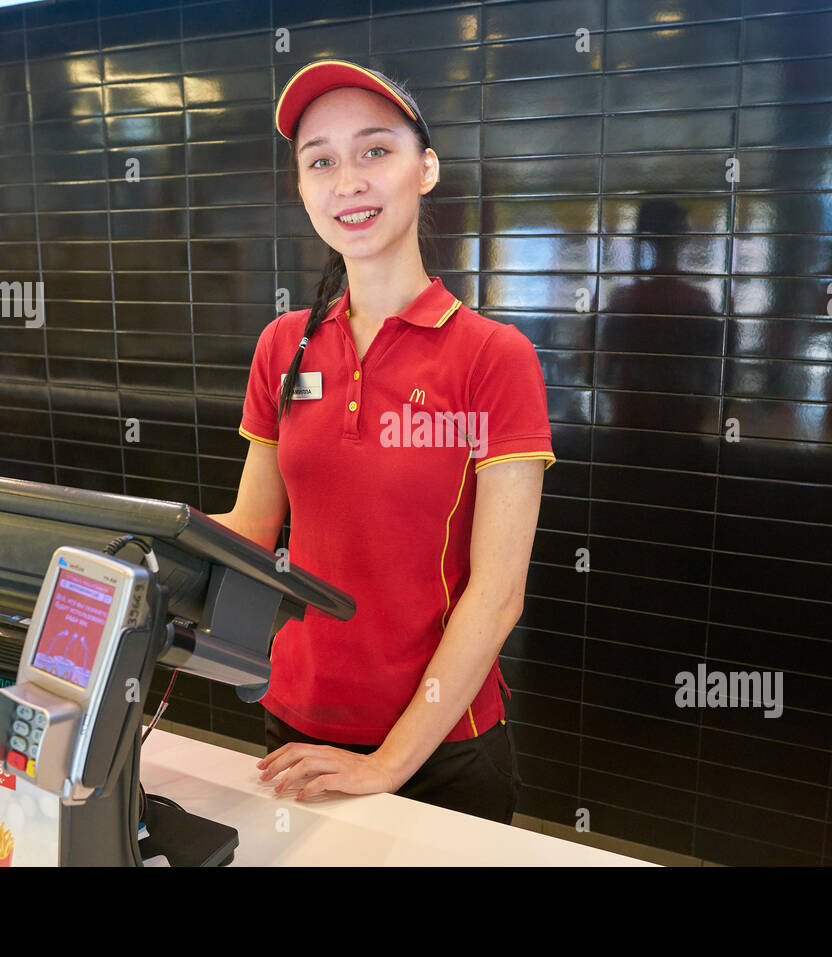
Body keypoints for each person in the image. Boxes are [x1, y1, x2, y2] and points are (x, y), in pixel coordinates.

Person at [209, 60, 554, 824]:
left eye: (375, 151)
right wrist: (118, 549)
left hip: (440, 746)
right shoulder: (282, 347)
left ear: (425, 169)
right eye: (320, 161)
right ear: (301, 189)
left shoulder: (494, 358)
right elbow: (250, 534)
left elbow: (497, 596)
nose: (347, 181)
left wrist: (388, 763)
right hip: (294, 720)